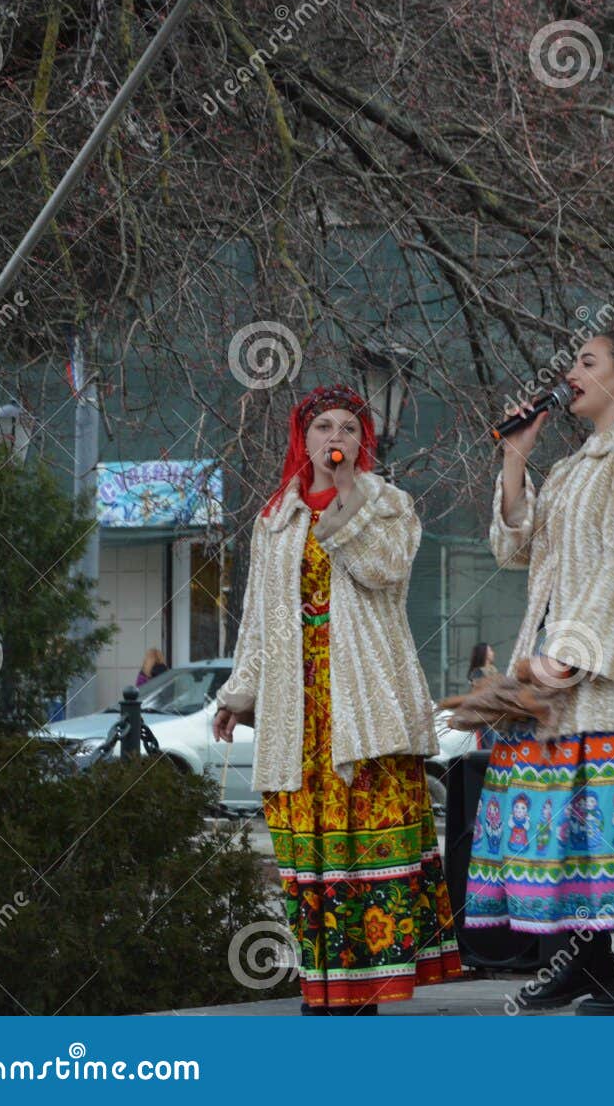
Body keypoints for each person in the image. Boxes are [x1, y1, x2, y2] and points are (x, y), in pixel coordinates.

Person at [212, 383, 460, 1014]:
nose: (336, 438)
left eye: (349, 428)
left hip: (364, 696)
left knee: (363, 843)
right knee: (313, 847)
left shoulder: (389, 506)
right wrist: (239, 694)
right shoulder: (278, 516)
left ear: (363, 441)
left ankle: (368, 987)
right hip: (299, 704)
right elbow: (259, 618)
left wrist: (348, 501)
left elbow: (385, 569)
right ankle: (323, 984)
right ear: (305, 439)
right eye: (323, 427)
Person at [467, 332, 614, 1015]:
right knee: (567, 826)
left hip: (613, 667)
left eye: (588, 362)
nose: (571, 373)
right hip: (548, 671)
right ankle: (586, 962)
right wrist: (516, 458)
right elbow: (515, 547)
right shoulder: (571, 466)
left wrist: (571, 653)